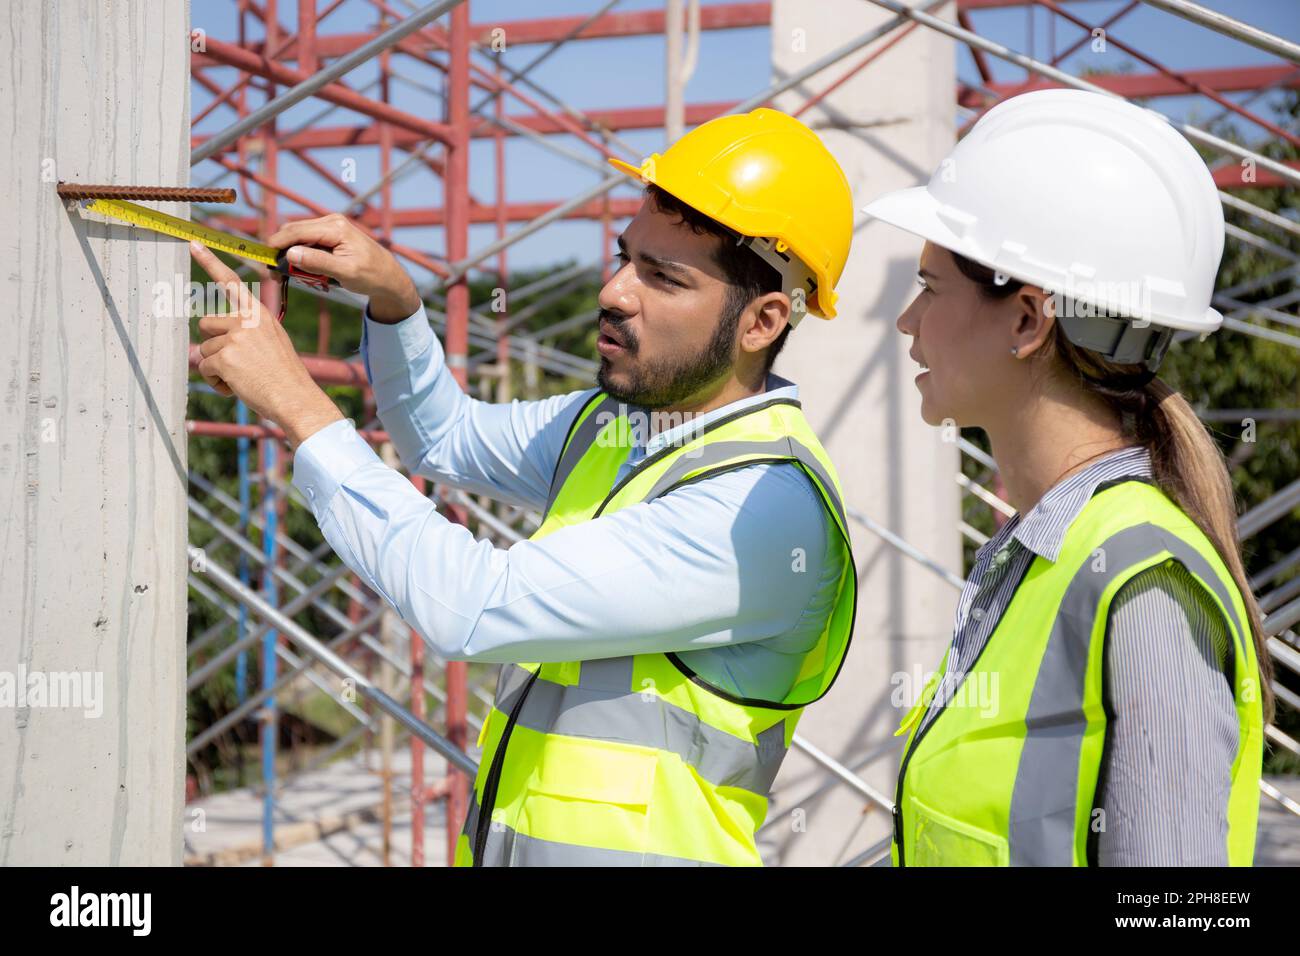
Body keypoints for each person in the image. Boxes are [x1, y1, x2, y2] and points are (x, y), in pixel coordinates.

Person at [189, 107, 859, 866]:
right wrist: (395, 299)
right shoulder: (617, 426)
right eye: (624, 257)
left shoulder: (761, 506)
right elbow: (441, 436)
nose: (612, 291)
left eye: (661, 277)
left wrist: (300, 405)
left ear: (763, 320)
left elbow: (471, 606)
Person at [862, 88, 1273, 867]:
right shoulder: (1041, 553)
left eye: (931, 287)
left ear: (1026, 320)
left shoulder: (1143, 585)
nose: (907, 321)